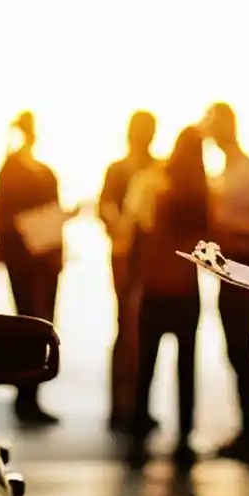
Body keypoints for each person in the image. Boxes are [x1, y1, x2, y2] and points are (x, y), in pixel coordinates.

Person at [124, 126, 208, 467]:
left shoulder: (154, 187)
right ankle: (185, 437)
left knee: (147, 363)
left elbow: (138, 239)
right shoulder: (203, 195)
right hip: (187, 290)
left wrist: (132, 285)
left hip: (156, 289)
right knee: (186, 365)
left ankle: (137, 433)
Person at [203, 102, 249, 461]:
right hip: (228, 268)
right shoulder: (223, 173)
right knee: (235, 349)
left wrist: (227, 228)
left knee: (242, 348)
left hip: (246, 264)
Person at [0, 111, 64, 426]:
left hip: (41, 261)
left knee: (37, 326)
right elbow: (3, 218)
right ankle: (26, 396)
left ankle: (30, 394)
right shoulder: (19, 170)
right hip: (28, 262)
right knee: (30, 326)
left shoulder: (33, 171)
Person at [98, 110, 158, 434]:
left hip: (148, 258)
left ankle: (137, 403)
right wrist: (119, 225)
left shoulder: (156, 169)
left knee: (142, 329)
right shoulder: (119, 170)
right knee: (126, 325)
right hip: (125, 254)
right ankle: (121, 404)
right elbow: (103, 206)